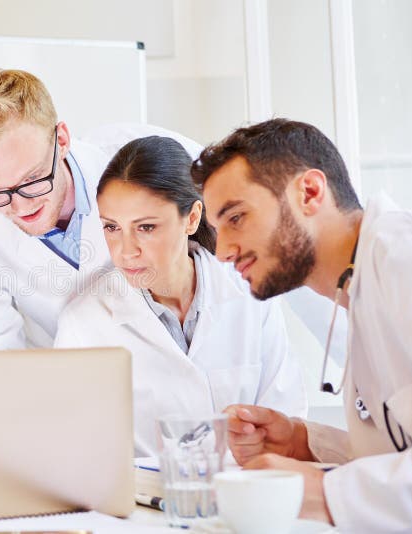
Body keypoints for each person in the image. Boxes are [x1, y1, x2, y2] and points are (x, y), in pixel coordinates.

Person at [193, 118, 412, 531]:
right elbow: (400, 452)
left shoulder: (405, 259)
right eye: (216, 230)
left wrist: (321, 491)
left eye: (236, 217)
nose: (222, 251)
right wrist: (304, 443)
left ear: (310, 192)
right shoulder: (357, 287)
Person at [54, 136, 307, 456]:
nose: (126, 251)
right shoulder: (83, 324)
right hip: (142, 489)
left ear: (192, 218)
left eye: (146, 227)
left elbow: (286, 420)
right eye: (112, 227)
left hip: (248, 483)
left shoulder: (249, 294)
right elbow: (75, 451)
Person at [0, 68, 201, 350]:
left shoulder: (136, 155)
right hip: (64, 364)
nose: (20, 206)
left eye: (32, 179)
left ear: (61, 140)